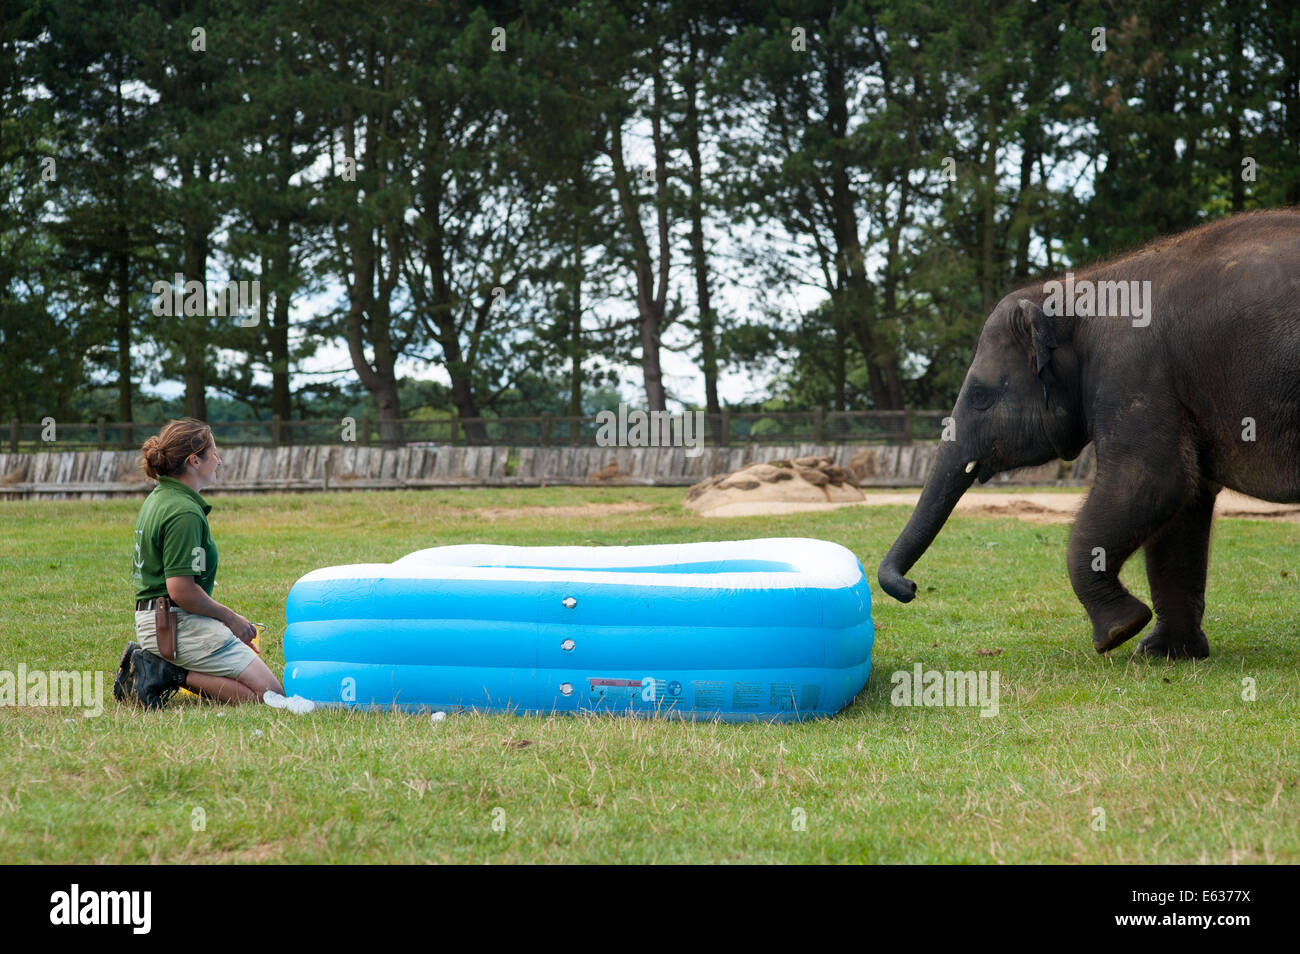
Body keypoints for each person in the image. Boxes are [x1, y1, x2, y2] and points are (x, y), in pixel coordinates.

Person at [115, 418, 286, 709]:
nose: (219, 461)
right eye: (215, 453)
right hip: (175, 624)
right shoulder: (183, 511)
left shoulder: (161, 497)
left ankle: (162, 665)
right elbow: (181, 590)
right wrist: (231, 620)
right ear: (195, 460)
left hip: (162, 620)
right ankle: (163, 671)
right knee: (269, 696)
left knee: (262, 690)